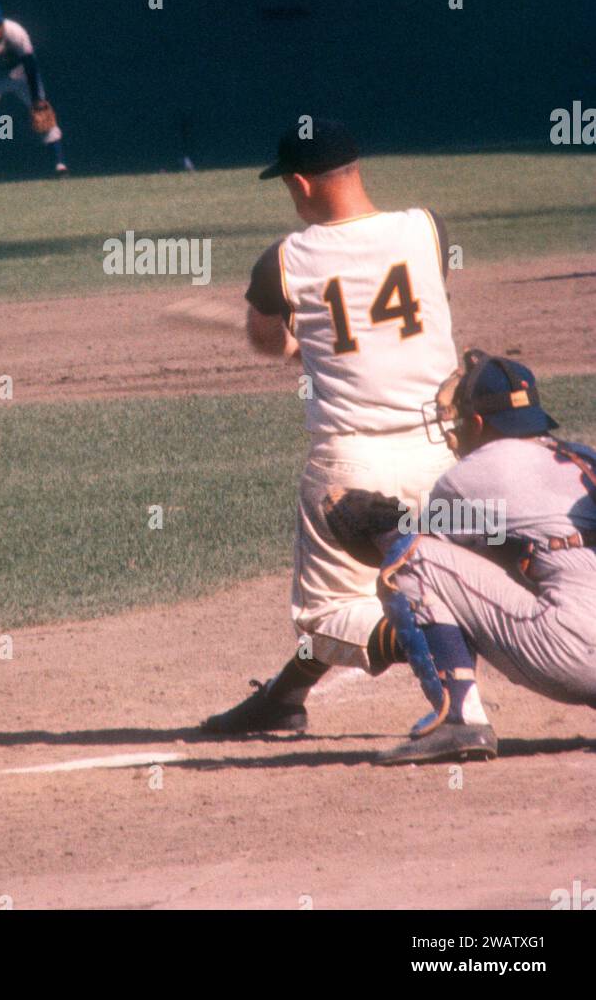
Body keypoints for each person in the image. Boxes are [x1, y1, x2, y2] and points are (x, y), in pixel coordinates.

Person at [201, 117, 458, 735]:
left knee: (327, 615)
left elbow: (269, 340)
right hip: (447, 461)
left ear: (300, 183)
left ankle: (429, 652)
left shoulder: (284, 262)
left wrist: (299, 346)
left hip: (353, 470)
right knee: (479, 577)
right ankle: (284, 698)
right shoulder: (426, 228)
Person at [347, 350, 596, 765]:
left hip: (572, 653)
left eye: (459, 417)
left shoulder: (474, 473)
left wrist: (379, 526)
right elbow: (505, 537)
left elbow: (411, 542)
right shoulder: (582, 458)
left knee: (409, 560)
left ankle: (459, 720)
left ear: (478, 423)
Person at [0, 4, 68, 184]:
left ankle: (59, 163)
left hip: (20, 74)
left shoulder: (16, 33)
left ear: (3, 23)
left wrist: (37, 98)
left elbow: (31, 66)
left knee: (43, 114)